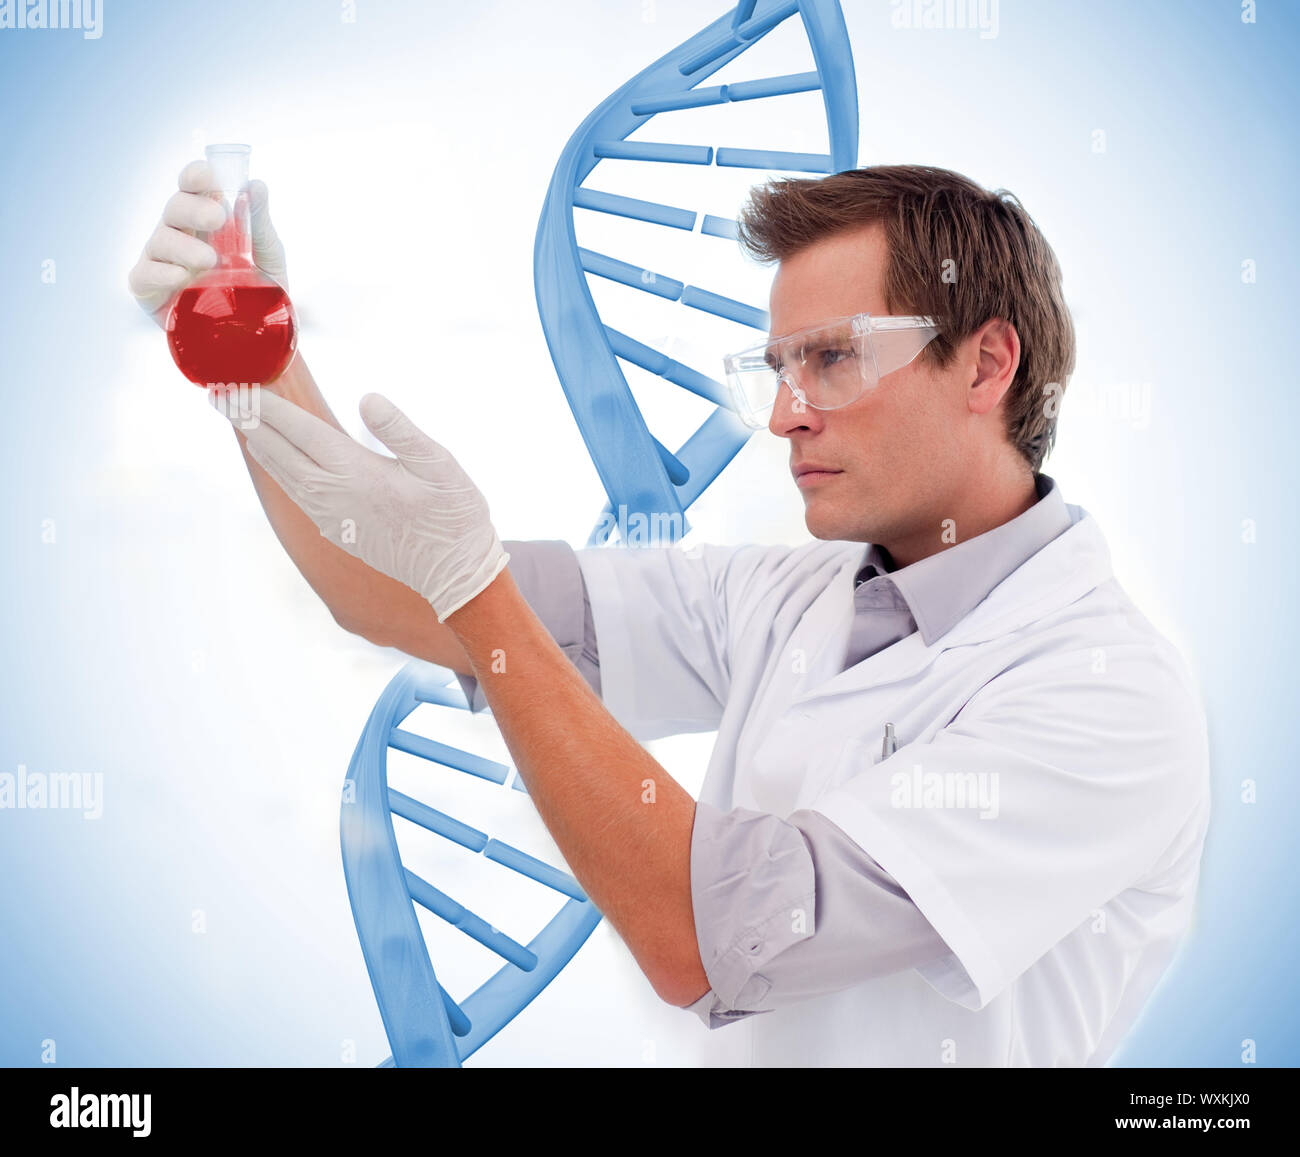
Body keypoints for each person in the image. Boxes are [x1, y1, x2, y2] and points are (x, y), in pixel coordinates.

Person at [129, 162, 1210, 1067]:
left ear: (985, 360)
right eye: (776, 368)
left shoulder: (1105, 698)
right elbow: (392, 592)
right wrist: (251, 365)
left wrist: (473, 588)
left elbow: (705, 937)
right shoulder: (786, 595)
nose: (787, 414)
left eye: (832, 356)